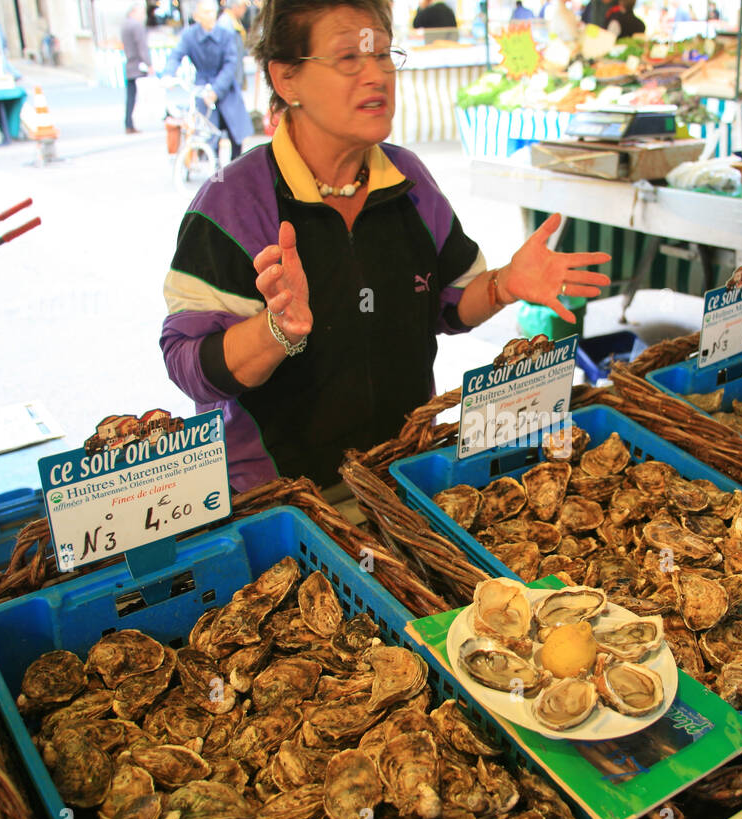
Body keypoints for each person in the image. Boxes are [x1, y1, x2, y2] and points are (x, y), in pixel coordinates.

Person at [160, 0, 611, 492]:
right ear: (287, 79)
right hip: (284, 501)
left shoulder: (408, 179)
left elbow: (451, 304)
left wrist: (503, 284)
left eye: (382, 56)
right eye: (349, 58)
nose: (376, 76)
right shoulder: (231, 203)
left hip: (403, 475)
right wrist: (276, 330)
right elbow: (188, 364)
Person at [162, 0, 252, 160]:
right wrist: (168, 74)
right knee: (209, 133)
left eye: (212, 12)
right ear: (197, 15)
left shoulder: (226, 34)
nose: (210, 16)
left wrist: (216, 90)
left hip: (226, 88)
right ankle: (216, 173)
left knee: (235, 133)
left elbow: (231, 64)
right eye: (205, 12)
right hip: (203, 85)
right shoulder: (190, 35)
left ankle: (234, 169)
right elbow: (176, 55)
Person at [122, 3, 151, 133]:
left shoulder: (125, 25)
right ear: (133, 12)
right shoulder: (136, 25)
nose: (143, 15)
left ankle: (129, 123)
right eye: (141, 12)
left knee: (131, 96)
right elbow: (142, 46)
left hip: (130, 65)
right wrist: (149, 64)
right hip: (138, 67)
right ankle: (131, 123)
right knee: (143, 95)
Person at [218, 0, 250, 88]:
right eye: (243, 7)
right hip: (231, 77)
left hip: (235, 74)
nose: (245, 10)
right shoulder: (225, 23)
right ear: (235, 7)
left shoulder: (233, 21)